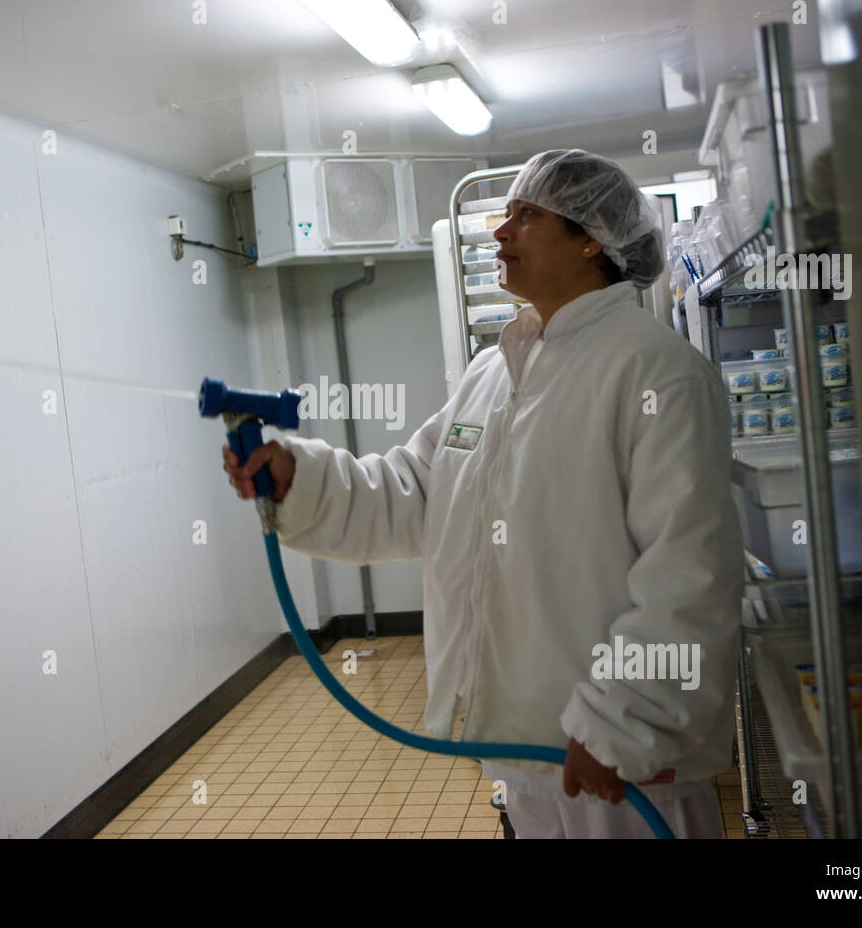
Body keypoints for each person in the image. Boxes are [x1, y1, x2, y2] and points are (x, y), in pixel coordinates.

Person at [223, 149, 743, 838]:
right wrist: (302, 478)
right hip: (526, 752)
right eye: (506, 215)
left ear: (592, 237)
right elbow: (416, 494)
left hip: (625, 769)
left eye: (527, 216)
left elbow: (689, 577)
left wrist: (623, 719)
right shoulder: (492, 374)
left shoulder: (657, 373)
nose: (500, 232)